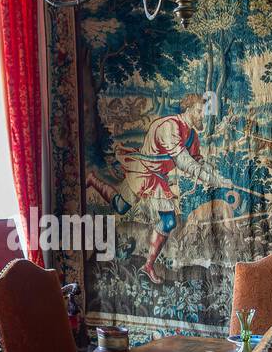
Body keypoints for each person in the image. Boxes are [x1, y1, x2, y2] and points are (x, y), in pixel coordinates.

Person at [85, 94, 229, 284]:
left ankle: (149, 265)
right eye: (199, 112)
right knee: (121, 207)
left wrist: (216, 175)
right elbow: (184, 162)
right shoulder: (169, 127)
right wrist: (212, 180)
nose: (202, 116)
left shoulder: (192, 135)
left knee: (168, 222)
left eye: (204, 114)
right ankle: (93, 180)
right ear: (188, 109)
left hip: (159, 177)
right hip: (143, 171)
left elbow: (197, 159)